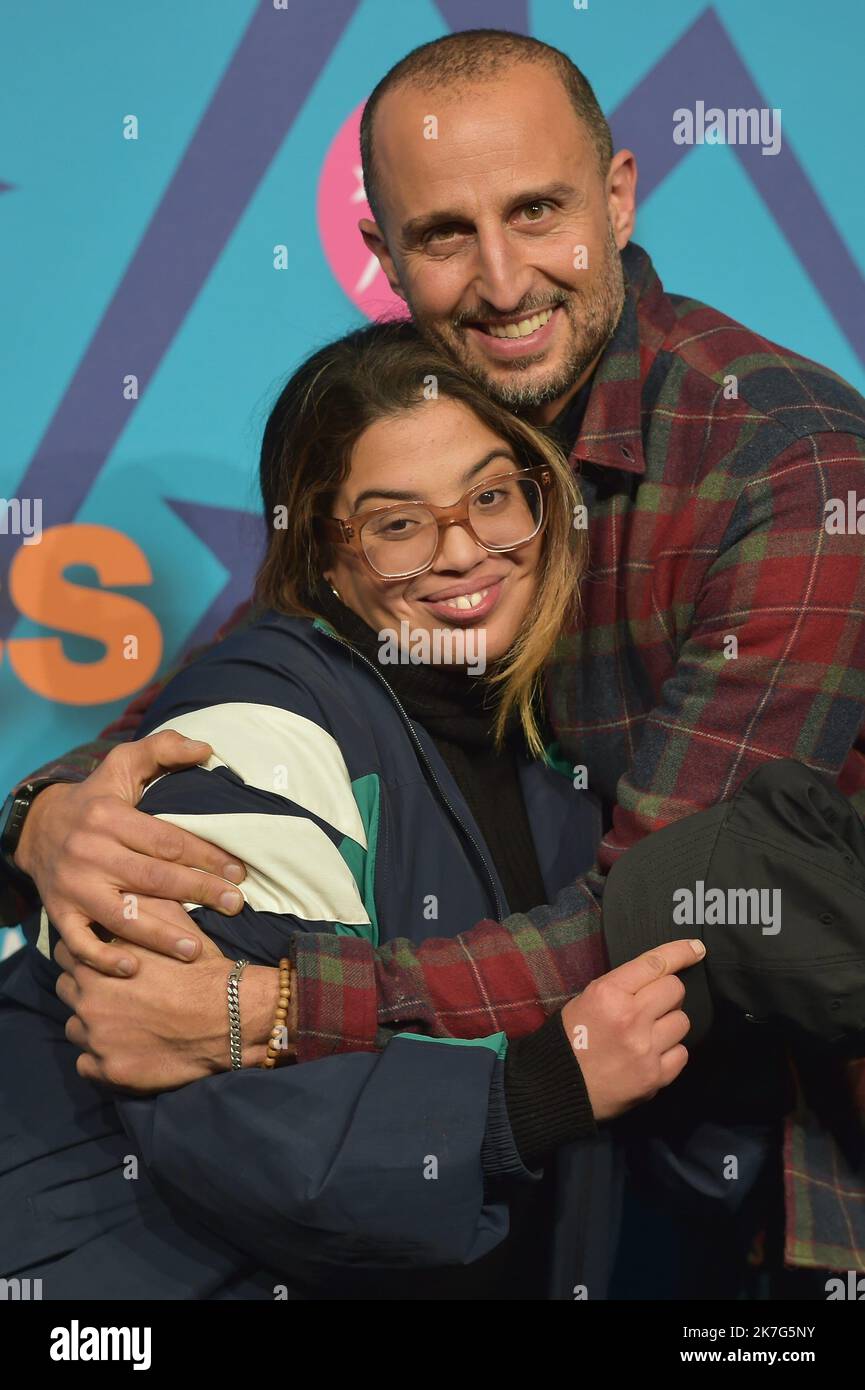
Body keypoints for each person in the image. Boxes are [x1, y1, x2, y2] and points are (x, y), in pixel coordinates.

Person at [3, 29, 865, 1287]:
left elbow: (669, 914)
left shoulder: (788, 468)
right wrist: (49, 814)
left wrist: (270, 1006)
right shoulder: (432, 424)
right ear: (385, 258)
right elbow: (271, 662)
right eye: (446, 234)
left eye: (538, 212)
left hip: (800, 1177)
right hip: (592, 1172)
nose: (504, 280)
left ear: (619, 197)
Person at [0, 322, 706, 1300]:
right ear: (326, 556)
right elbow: (243, 1133)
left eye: (492, 496)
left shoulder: (553, 738)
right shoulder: (252, 726)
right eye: (398, 523)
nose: (463, 551)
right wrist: (534, 1092)